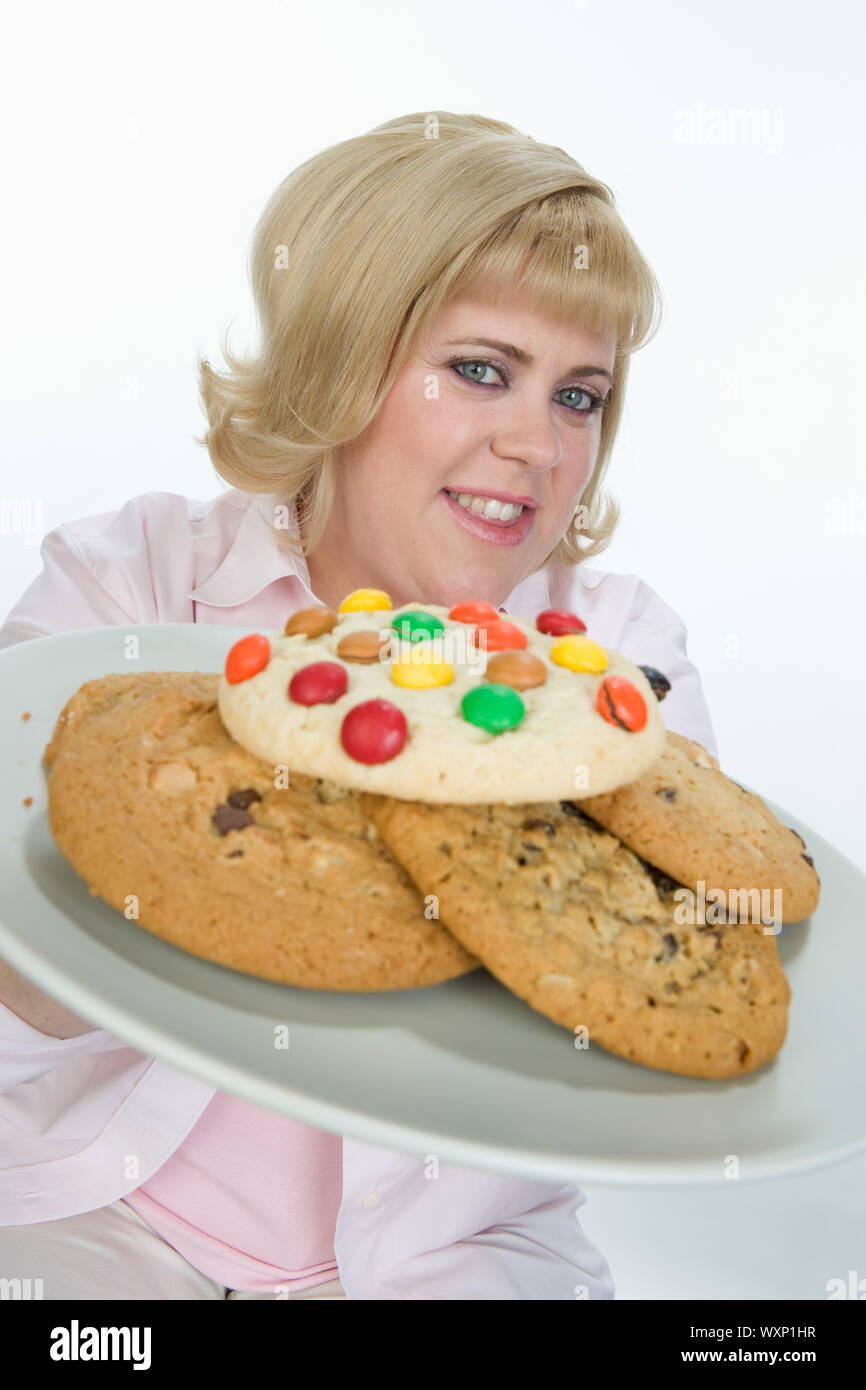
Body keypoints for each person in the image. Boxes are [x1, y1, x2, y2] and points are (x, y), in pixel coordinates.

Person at [0, 110, 717, 1300]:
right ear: (340, 359)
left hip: (471, 1258)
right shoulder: (131, 586)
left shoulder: (619, 662)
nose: (536, 445)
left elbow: (646, 1005)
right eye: (478, 370)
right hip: (103, 1215)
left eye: (578, 395)